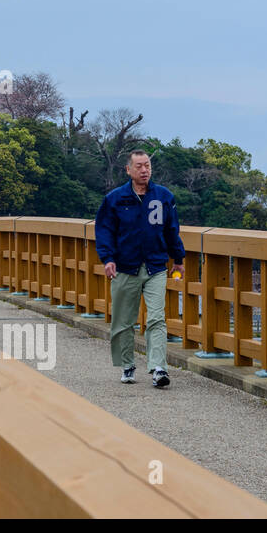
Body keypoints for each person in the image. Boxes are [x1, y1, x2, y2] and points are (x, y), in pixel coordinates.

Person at [93, 150, 185, 388]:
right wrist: (108, 259)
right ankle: (127, 364)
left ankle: (158, 368)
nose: (144, 170)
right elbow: (104, 231)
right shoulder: (114, 199)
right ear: (128, 170)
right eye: (139, 167)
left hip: (155, 265)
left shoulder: (164, 196)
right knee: (124, 320)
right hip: (124, 266)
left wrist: (178, 259)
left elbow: (171, 230)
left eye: (147, 166)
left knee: (156, 318)